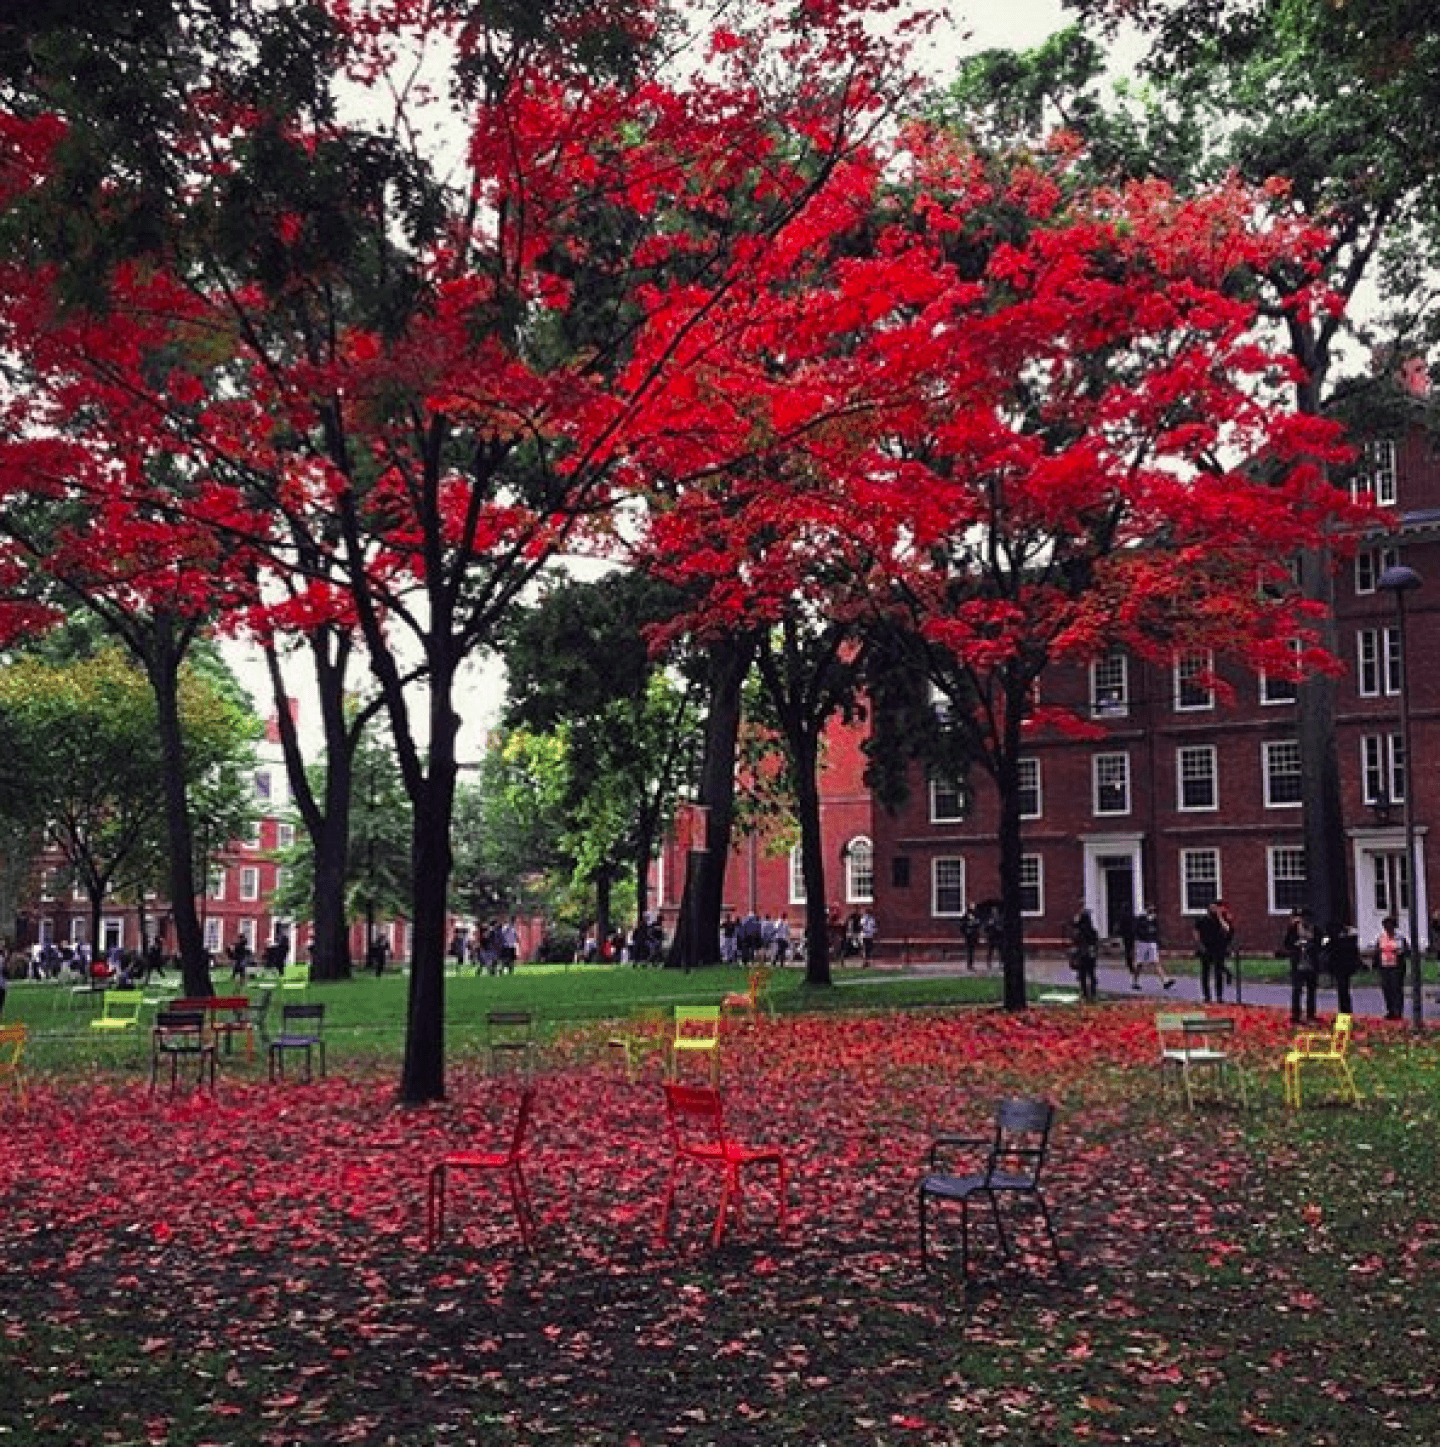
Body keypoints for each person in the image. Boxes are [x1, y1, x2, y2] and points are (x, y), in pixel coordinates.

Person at [1193, 899, 1234, 1004]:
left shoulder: (1221, 920)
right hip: (1206, 948)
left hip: (1219, 948)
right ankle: (1207, 996)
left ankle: (1219, 996)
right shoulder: (1202, 920)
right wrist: (1199, 945)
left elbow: (1228, 930)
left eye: (1215, 908)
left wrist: (1220, 918)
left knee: (1218, 972)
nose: (1213, 910)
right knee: (1205, 973)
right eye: (1211, 908)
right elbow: (1196, 931)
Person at [1282, 907, 1319, 1024]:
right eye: (1303, 918)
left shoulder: (1315, 930)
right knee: (1297, 990)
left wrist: (1312, 946)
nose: (1305, 920)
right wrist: (1295, 945)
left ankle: (1310, 1014)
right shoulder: (1293, 930)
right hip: (1298, 963)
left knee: (1311, 990)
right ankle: (1296, 1015)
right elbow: (1286, 943)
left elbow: (1320, 943)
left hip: (1311, 963)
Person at [1323, 919, 1362, 1017]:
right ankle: (1345, 1010)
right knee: (1343, 990)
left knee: (1343, 990)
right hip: (1340, 965)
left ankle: (1345, 1011)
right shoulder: (1338, 938)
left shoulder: (1345, 938)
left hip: (1343, 965)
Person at [1374, 914, 1408, 1021]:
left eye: (1390, 926)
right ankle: (1390, 1010)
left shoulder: (1399, 938)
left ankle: (1398, 1011)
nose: (1388, 928)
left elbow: (1405, 951)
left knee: (1396, 989)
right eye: (1386, 926)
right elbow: (1377, 951)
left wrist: (1400, 952)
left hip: (1396, 967)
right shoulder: (1381, 938)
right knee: (1387, 989)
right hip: (1384, 966)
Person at [1131, 904, 1173, 990]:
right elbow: (1137, 931)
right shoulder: (1141, 919)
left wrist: (1157, 941)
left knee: (1156, 962)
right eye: (1150, 908)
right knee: (1139, 964)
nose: (1152, 910)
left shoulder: (1154, 920)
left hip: (1152, 942)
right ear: (1146, 909)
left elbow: (1156, 931)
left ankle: (1165, 981)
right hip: (1142, 942)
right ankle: (1135, 982)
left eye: (1153, 909)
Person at [1069, 906, 1100, 1003]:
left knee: (1082, 975)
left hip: (1081, 955)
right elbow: (1096, 942)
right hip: (1090, 954)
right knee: (1091, 974)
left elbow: (1074, 940)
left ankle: (1084, 993)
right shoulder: (1092, 931)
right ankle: (1093, 993)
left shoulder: (1078, 931)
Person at [959, 905, 980, 972]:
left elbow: (977, 925)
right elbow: (962, 926)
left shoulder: (975, 916)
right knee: (969, 950)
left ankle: (971, 964)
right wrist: (966, 932)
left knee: (972, 950)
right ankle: (969, 965)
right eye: (972, 908)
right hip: (969, 936)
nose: (973, 910)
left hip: (974, 935)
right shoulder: (965, 917)